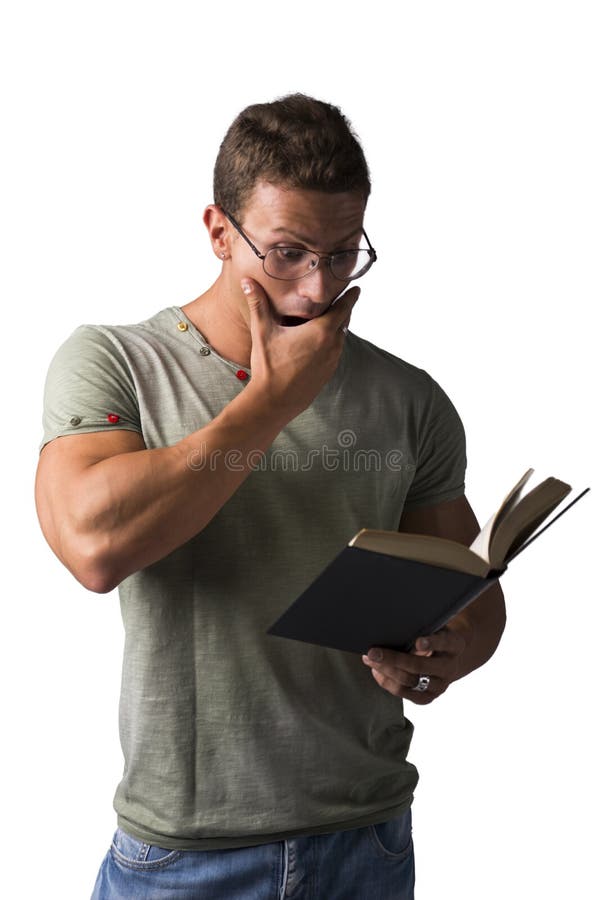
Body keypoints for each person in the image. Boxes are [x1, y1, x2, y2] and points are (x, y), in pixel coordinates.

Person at [35, 93, 506, 899]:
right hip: (186, 856)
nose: (317, 286)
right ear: (220, 231)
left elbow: (468, 590)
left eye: (342, 253)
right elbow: (92, 547)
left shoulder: (410, 398)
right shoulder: (115, 362)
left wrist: (447, 656)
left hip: (368, 839)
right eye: (286, 252)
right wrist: (270, 402)